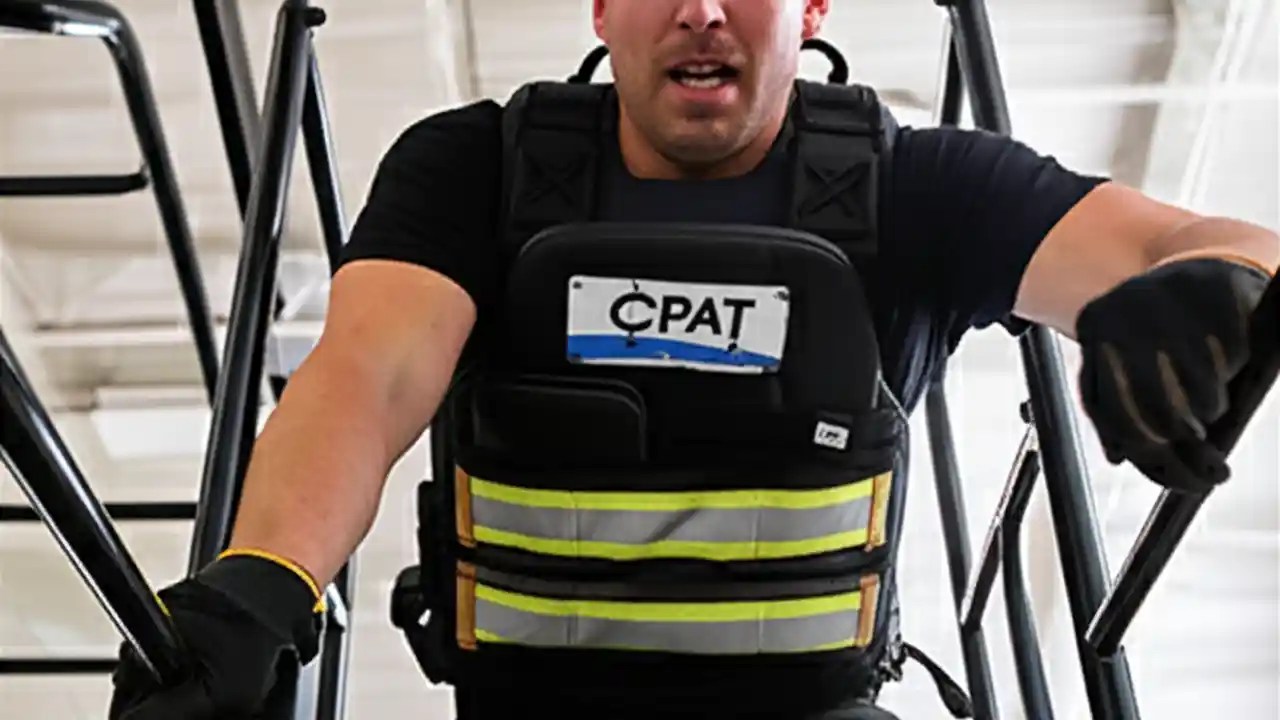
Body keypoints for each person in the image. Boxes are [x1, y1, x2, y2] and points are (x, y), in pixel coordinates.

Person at [107, 1, 1278, 719]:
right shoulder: (475, 168)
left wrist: (1215, 287)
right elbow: (369, 372)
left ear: (809, 6)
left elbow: (1194, 241)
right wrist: (264, 579)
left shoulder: (920, 188)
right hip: (531, 711)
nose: (704, 9)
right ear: (604, 6)